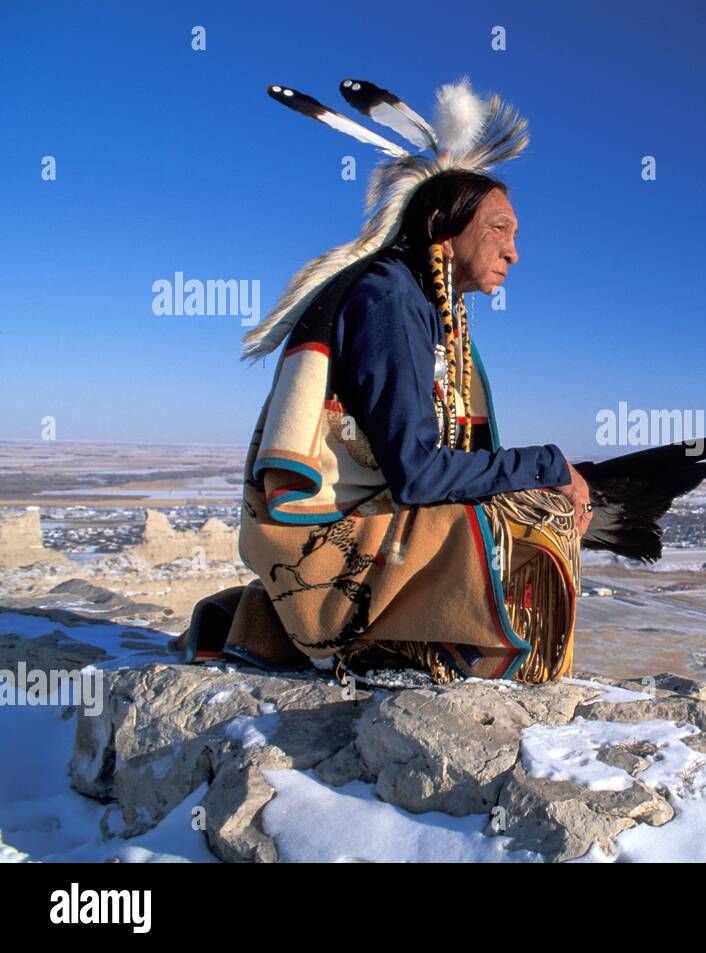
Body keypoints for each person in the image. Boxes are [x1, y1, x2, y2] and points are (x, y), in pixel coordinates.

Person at [182, 77, 591, 686]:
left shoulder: (420, 306)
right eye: (500, 228)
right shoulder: (390, 300)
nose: (514, 252)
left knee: (526, 494)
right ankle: (403, 642)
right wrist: (549, 465)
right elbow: (420, 475)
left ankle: (300, 625)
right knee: (538, 517)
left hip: (358, 525)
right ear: (442, 225)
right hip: (325, 542)